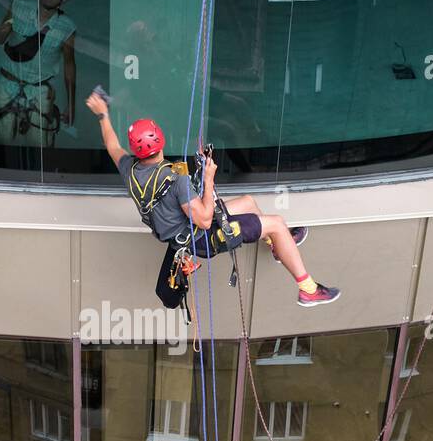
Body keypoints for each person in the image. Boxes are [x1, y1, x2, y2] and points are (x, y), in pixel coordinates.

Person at [86, 89, 340, 306]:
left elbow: (112, 145)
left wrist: (102, 115)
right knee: (277, 223)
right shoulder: (176, 179)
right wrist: (208, 178)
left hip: (185, 229)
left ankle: (276, 246)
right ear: (161, 143)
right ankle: (308, 289)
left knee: (249, 202)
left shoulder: (130, 170)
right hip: (203, 237)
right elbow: (206, 219)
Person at [0, 0, 78, 149]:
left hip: (39, 90)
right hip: (8, 83)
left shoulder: (67, 28)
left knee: (39, 147)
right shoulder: (18, 6)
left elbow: (69, 67)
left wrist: (71, 105)